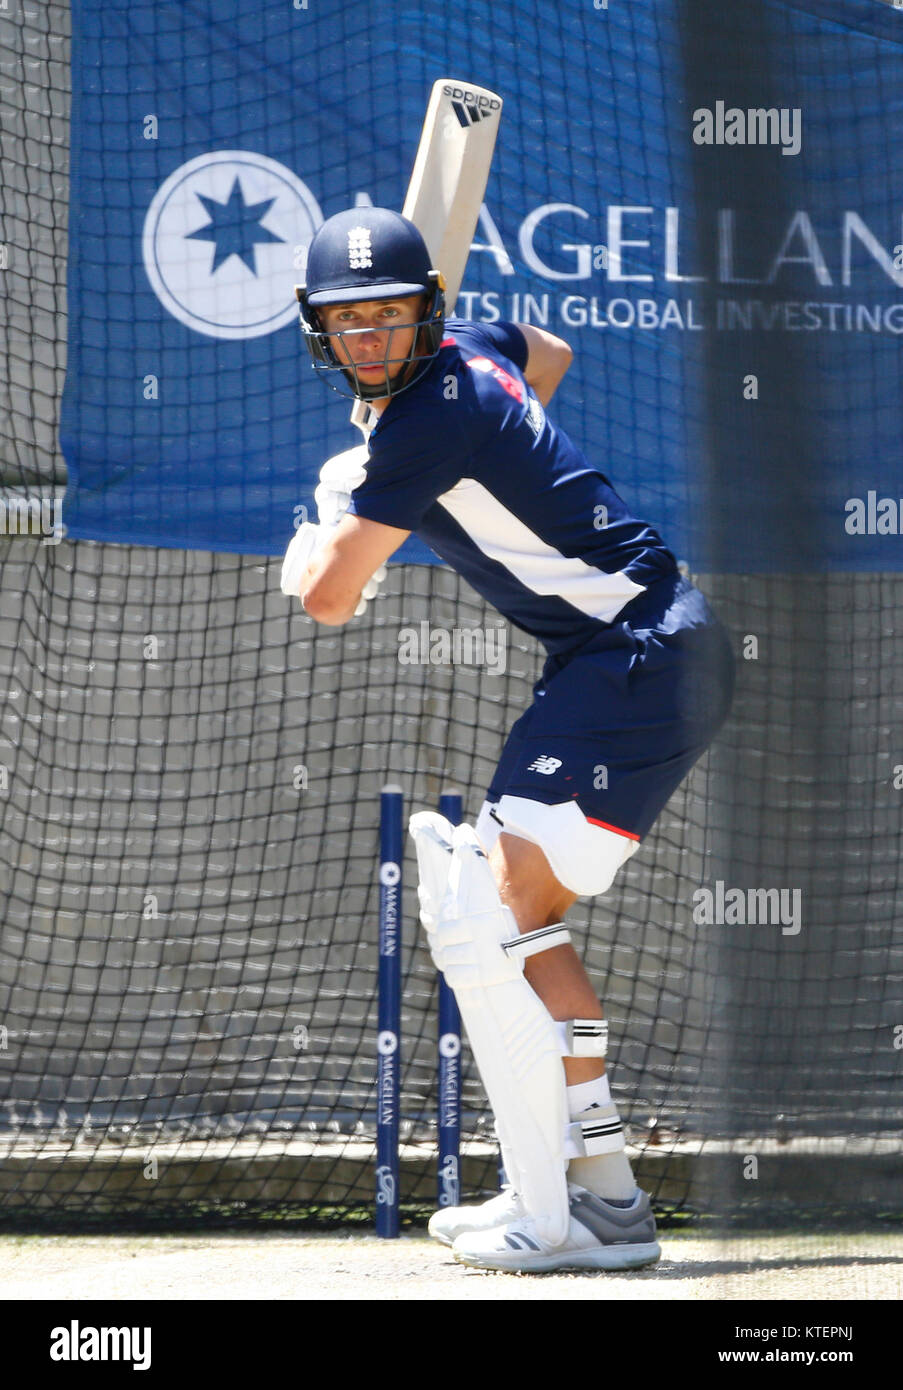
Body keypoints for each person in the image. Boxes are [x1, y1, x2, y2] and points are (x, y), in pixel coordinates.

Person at [281, 206, 735, 1273]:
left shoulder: (420, 427)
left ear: (425, 313)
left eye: (391, 319)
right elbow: (552, 353)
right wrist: (451, 452)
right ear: (318, 329)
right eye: (350, 324)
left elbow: (333, 600)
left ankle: (556, 1212)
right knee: (518, 917)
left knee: (482, 906)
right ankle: (602, 1197)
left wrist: (323, 532)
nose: (371, 341)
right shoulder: (475, 355)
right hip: (621, 657)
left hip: (638, 650)